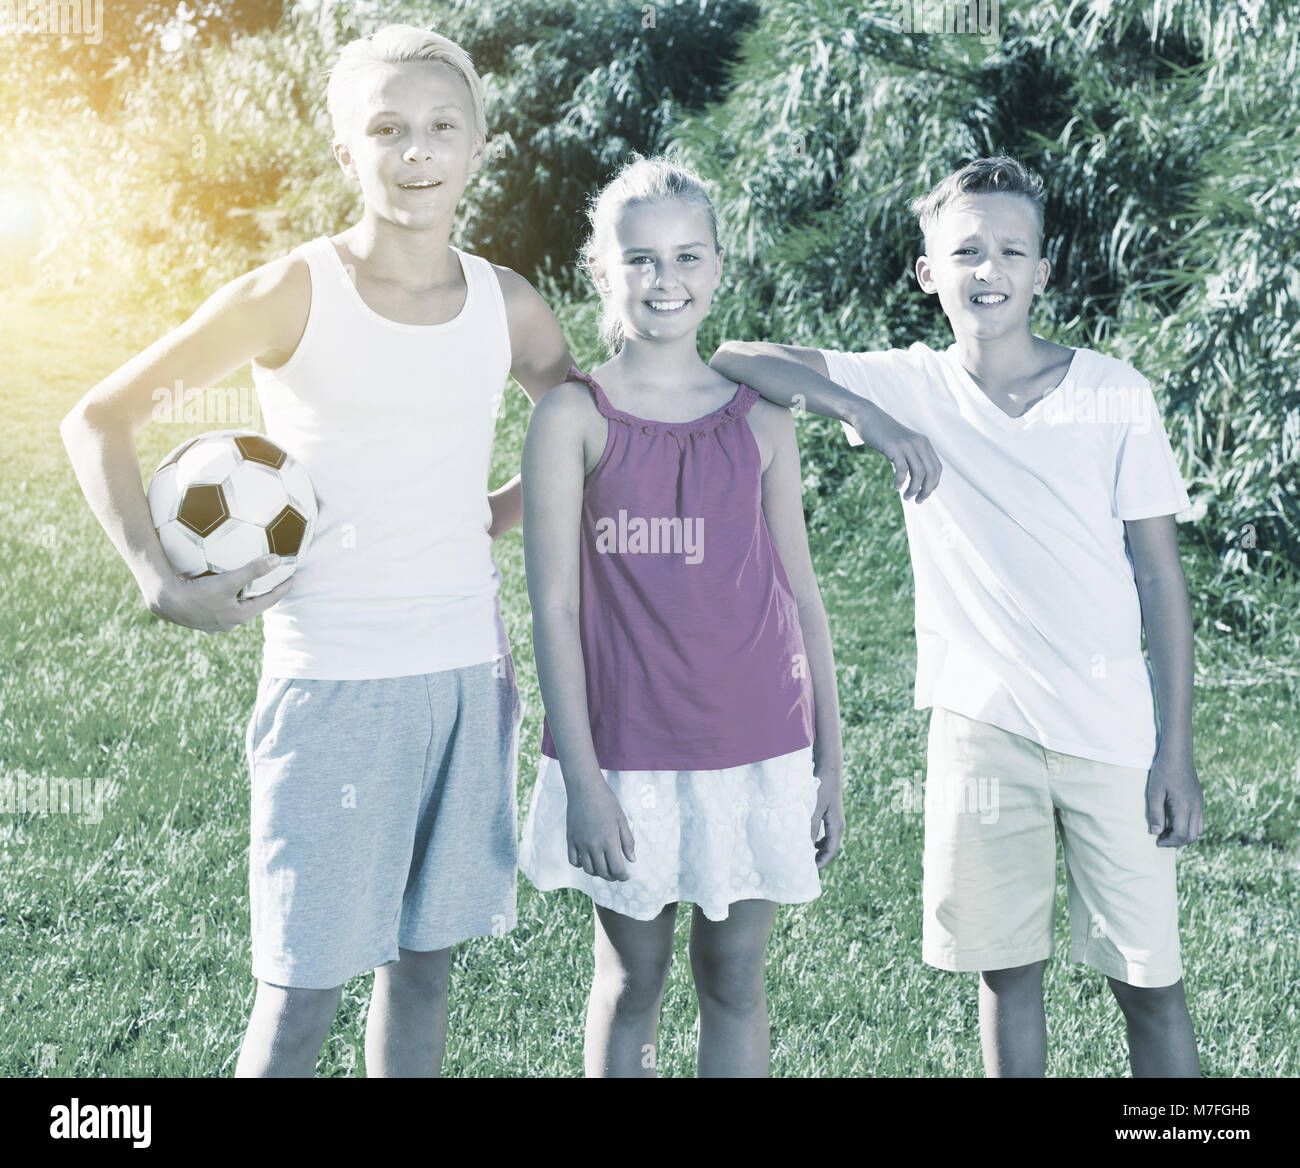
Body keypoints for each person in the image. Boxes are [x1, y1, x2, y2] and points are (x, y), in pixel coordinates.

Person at [58, 23, 573, 1077]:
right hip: (334, 686)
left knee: (426, 972)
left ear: (479, 144)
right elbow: (98, 419)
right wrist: (159, 577)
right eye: (386, 129)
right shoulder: (295, 291)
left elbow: (584, 432)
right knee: (302, 997)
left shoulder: (506, 303)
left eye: (440, 127)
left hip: (470, 677)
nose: (415, 151)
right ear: (348, 152)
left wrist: (486, 516)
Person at [711, 155, 1203, 1077]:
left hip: (1112, 732)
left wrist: (1175, 748)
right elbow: (735, 357)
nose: (990, 269)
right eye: (966, 250)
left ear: (1043, 273)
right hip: (981, 728)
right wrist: (869, 414)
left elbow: (1160, 578)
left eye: (1012, 250)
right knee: (1004, 973)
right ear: (928, 272)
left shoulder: (1113, 393)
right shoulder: (911, 384)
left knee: (1150, 983)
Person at [517, 153, 849, 1078]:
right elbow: (552, 605)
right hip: (628, 754)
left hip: (757, 745)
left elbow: (803, 598)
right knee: (633, 980)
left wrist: (830, 757)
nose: (668, 281)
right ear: (603, 273)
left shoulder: (759, 420)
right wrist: (581, 777)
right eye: (642, 261)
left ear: (718, 266)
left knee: (737, 981)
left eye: (688, 257)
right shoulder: (572, 418)